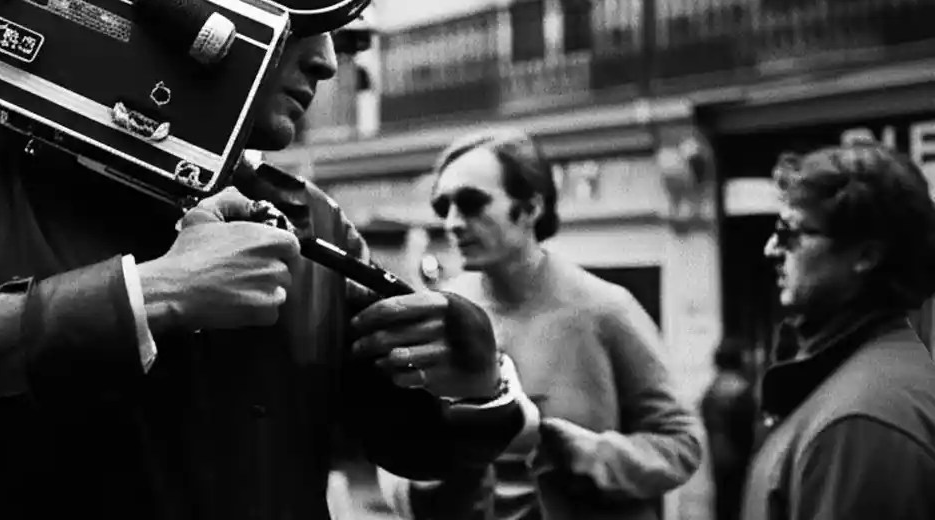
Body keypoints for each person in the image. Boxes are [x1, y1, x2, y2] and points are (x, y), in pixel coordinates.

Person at [0, 28, 538, 519]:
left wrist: (475, 384)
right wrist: (150, 293)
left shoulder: (312, 218)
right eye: (305, 26)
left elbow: (410, 448)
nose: (327, 63)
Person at [380, 129, 703, 520]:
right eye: (443, 206)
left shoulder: (604, 308)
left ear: (531, 207)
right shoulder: (441, 315)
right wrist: (440, 476)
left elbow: (682, 444)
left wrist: (579, 452)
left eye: (470, 203)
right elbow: (394, 447)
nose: (452, 223)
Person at [740, 140, 935, 520]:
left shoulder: (858, 426)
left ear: (866, 255)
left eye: (791, 232)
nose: (771, 249)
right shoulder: (853, 387)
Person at [698, 338, 756, 520]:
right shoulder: (744, 391)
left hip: (717, 455)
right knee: (739, 502)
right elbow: (748, 431)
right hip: (741, 457)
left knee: (722, 503)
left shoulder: (711, 391)